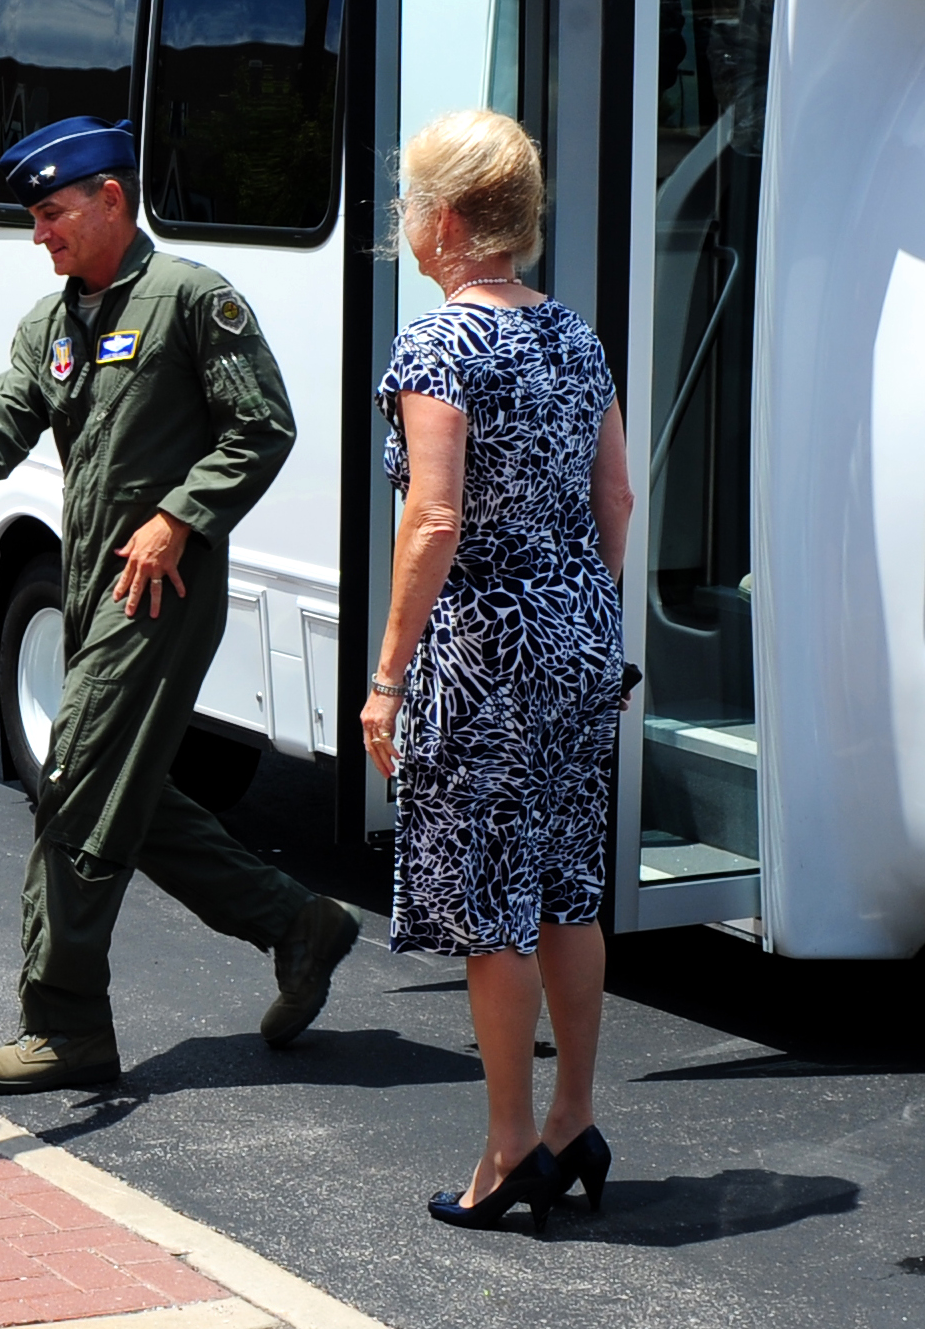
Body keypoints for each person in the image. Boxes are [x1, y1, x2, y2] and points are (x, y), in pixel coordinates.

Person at [0, 115, 363, 1095]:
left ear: (112, 199)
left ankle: (65, 1024)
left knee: (73, 781)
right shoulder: (52, 323)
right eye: (34, 219)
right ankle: (297, 923)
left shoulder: (190, 298)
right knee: (126, 793)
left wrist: (179, 518)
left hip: (162, 586)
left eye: (53, 214)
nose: (39, 235)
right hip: (90, 585)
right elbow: (1, 418)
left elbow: (261, 427)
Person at [360, 108, 634, 1231]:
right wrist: (582, 609)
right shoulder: (573, 333)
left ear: (448, 221)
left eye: (410, 204)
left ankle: (510, 1148)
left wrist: (388, 676)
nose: (404, 222)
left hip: (484, 651)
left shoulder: (439, 344)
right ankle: (573, 1119)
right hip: (578, 637)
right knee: (567, 881)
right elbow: (615, 495)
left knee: (492, 902)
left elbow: (433, 519)